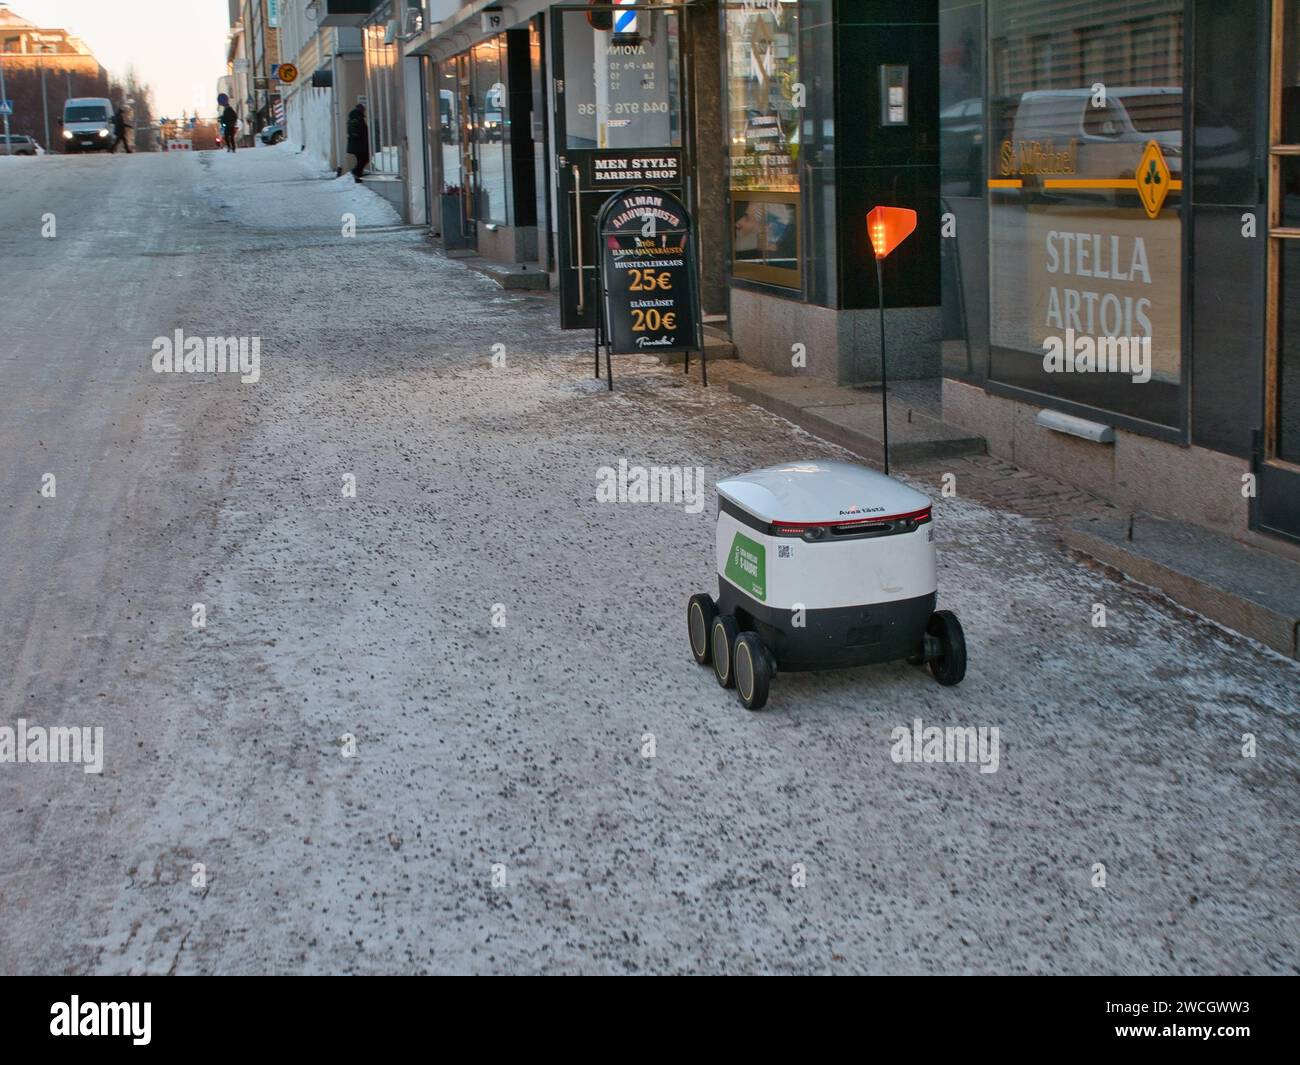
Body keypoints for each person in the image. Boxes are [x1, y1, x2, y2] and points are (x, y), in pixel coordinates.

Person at [347, 102, 369, 183]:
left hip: (357, 144)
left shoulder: (356, 117)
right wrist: (360, 136)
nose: (364, 111)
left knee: (362, 159)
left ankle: (358, 176)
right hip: (358, 144)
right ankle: (356, 172)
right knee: (364, 158)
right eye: (364, 109)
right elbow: (355, 131)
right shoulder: (357, 118)